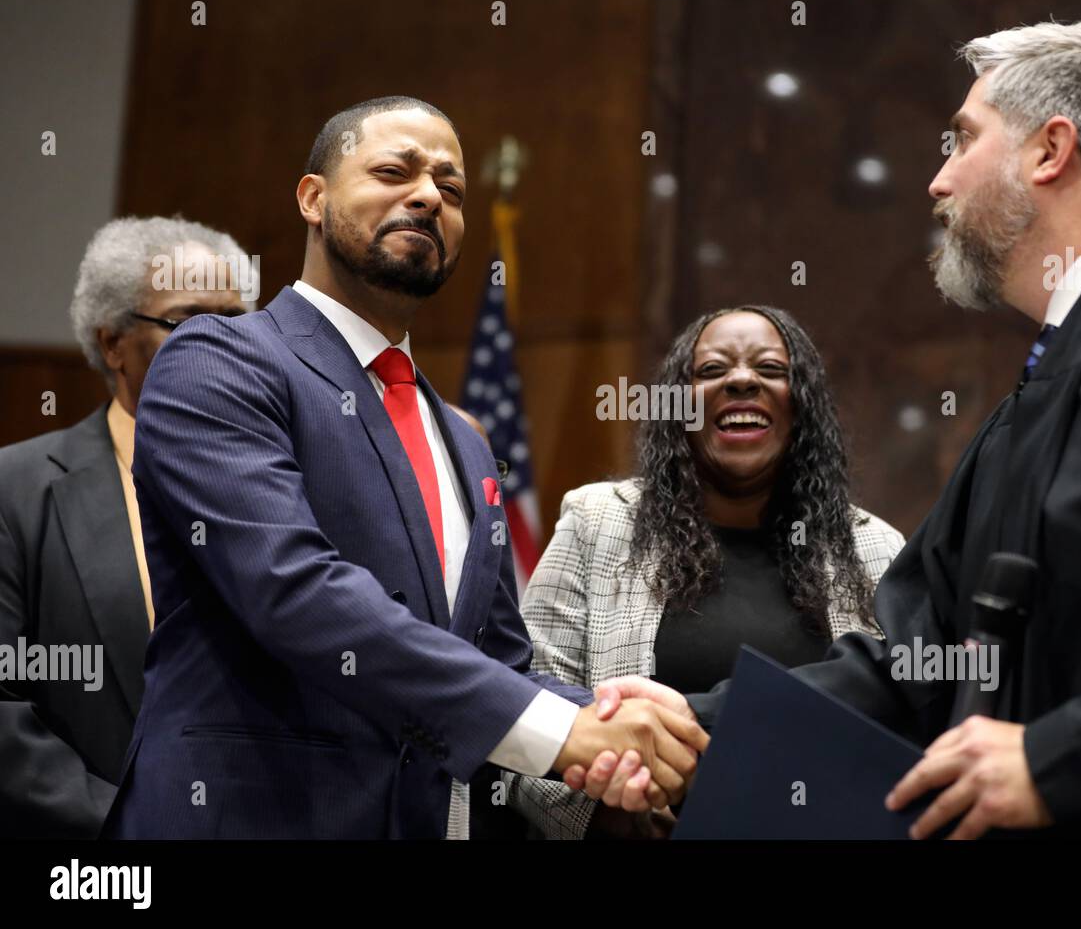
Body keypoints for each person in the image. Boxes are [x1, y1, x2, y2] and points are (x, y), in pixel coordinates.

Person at [570, 20, 1081, 839]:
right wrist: (700, 724)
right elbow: (917, 666)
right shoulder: (1018, 414)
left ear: (1050, 150)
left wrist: (1063, 759)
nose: (937, 183)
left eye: (960, 140)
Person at [103, 96, 706, 839]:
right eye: (394, 171)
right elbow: (293, 590)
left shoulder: (464, 440)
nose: (427, 196)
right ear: (313, 198)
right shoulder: (218, 361)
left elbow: (496, 661)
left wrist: (611, 717)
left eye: (451, 191)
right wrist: (561, 733)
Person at [505, 305, 904, 838]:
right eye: (712, 370)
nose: (742, 379)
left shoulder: (874, 548)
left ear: (802, 406)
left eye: (771, 369)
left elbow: (901, 716)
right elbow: (525, 700)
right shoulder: (596, 522)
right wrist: (609, 814)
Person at [0, 216, 255, 838]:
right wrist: (133, 828)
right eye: (189, 320)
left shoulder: (295, 480)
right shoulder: (17, 488)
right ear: (113, 343)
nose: (221, 343)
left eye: (237, 321)